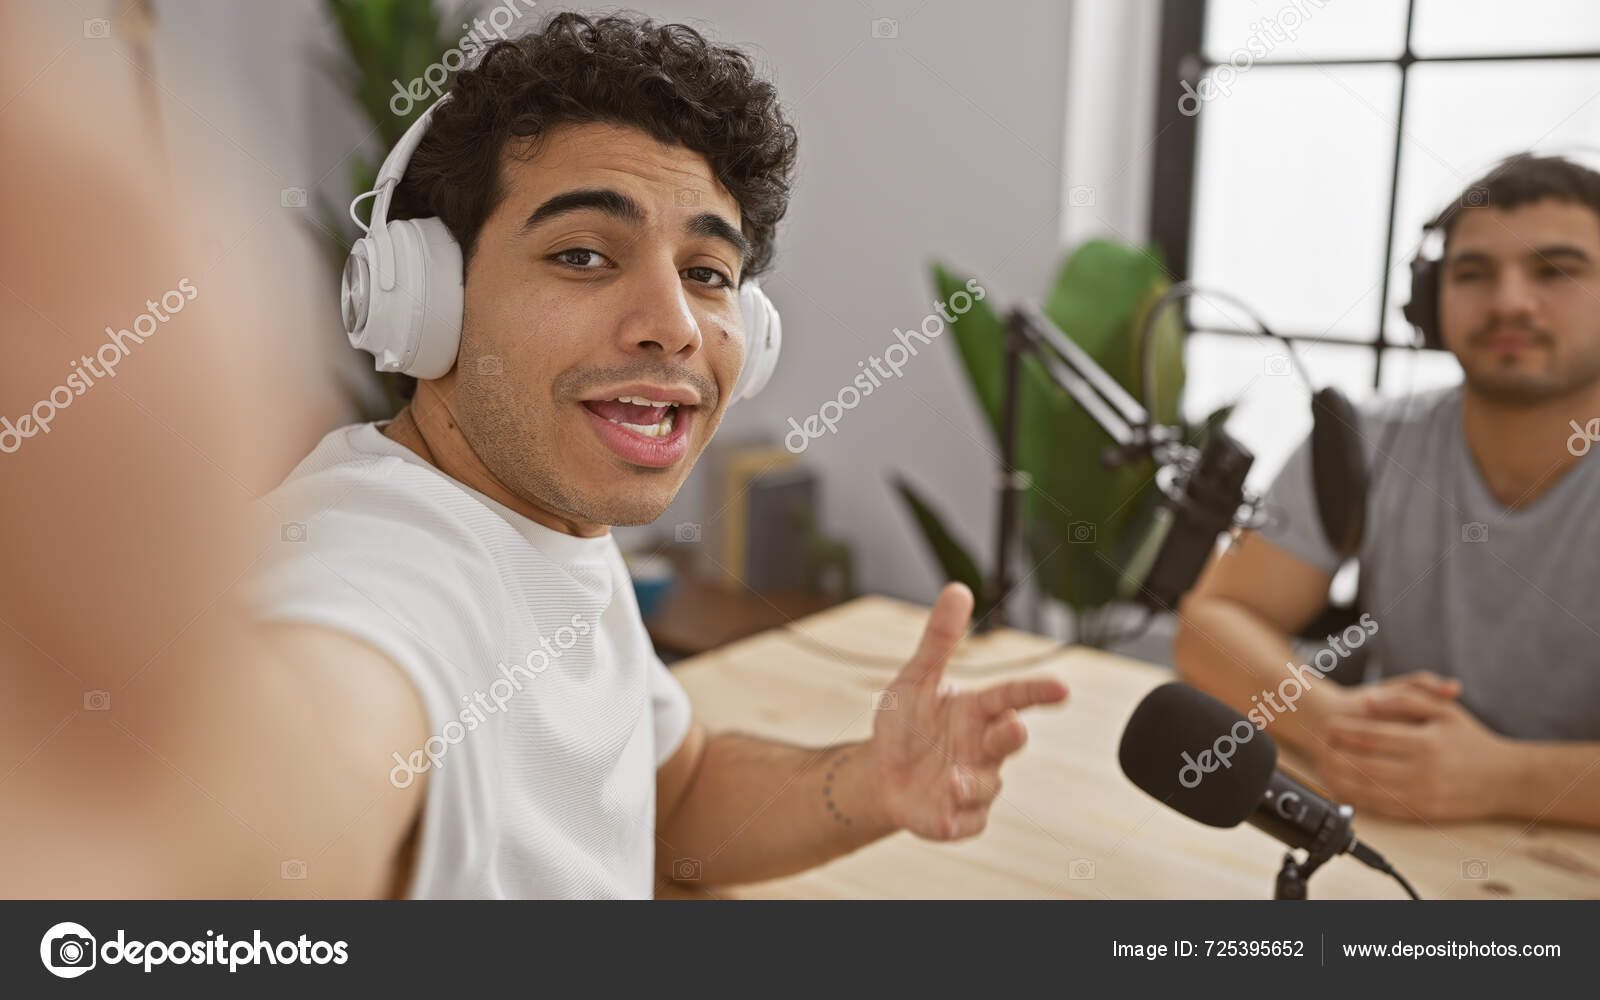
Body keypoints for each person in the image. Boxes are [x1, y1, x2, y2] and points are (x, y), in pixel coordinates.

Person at [249, 13, 1068, 899]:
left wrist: (874, 781)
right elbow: (289, 778)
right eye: (584, 254)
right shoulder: (371, 579)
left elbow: (676, 793)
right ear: (426, 304)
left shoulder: (540, 525)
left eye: (708, 273)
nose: (675, 325)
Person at [1176, 153, 1600, 829]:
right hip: (1389, 831)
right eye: (1473, 273)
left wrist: (1507, 780)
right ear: (1431, 302)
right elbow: (1212, 624)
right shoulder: (1366, 444)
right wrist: (1335, 725)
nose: (1510, 301)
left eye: (1556, 270)